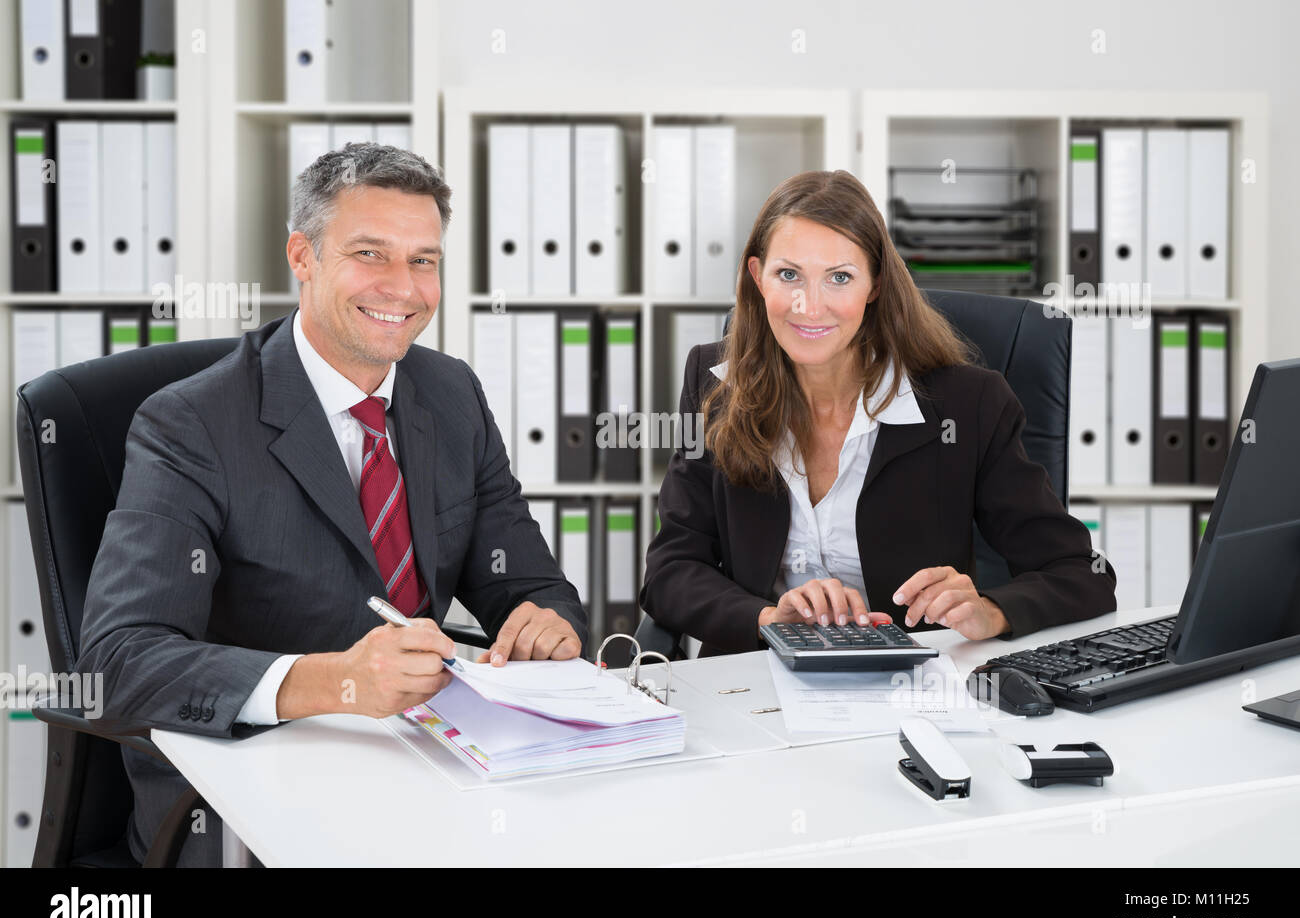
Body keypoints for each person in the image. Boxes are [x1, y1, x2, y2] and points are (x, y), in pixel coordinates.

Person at [76, 143, 586, 866]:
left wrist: (548, 624)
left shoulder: (453, 395)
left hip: (431, 768)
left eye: (423, 260)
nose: (402, 287)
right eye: (370, 253)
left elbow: (531, 585)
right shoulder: (191, 424)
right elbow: (118, 662)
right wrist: (337, 681)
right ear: (303, 256)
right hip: (250, 794)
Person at [640, 169, 1116, 657]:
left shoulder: (968, 405)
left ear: (875, 284)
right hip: (751, 681)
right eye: (789, 275)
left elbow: (1080, 574)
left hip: (914, 683)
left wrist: (991, 610)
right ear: (757, 276)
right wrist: (768, 620)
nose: (810, 306)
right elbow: (670, 571)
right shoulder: (715, 386)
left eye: (840, 277)